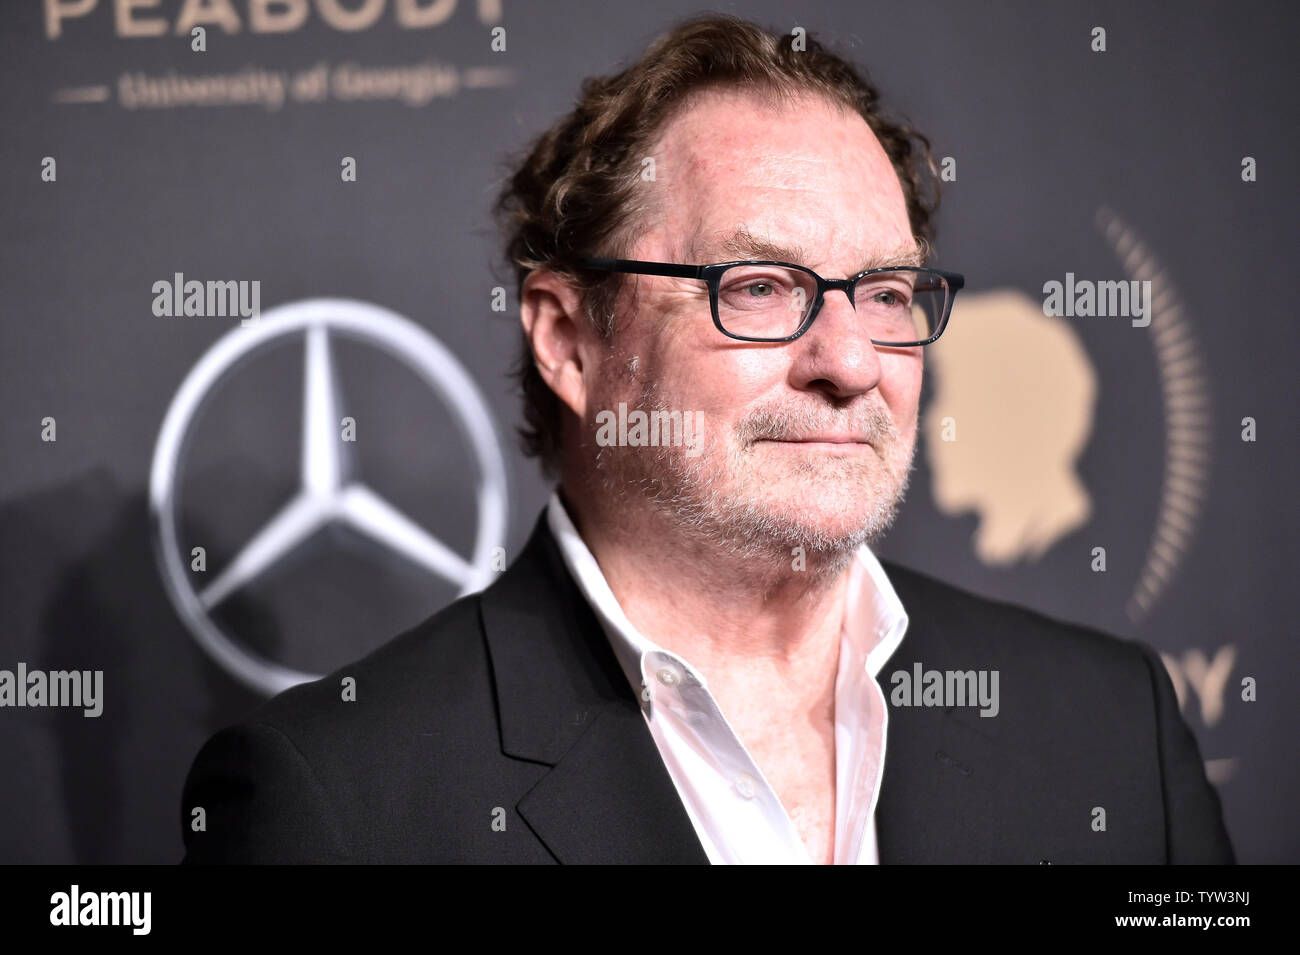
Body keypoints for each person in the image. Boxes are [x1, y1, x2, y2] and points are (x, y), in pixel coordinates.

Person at [180, 13, 1233, 864]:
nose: (851, 360)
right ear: (568, 341)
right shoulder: (338, 808)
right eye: (760, 286)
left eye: (883, 291)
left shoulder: (1109, 730)